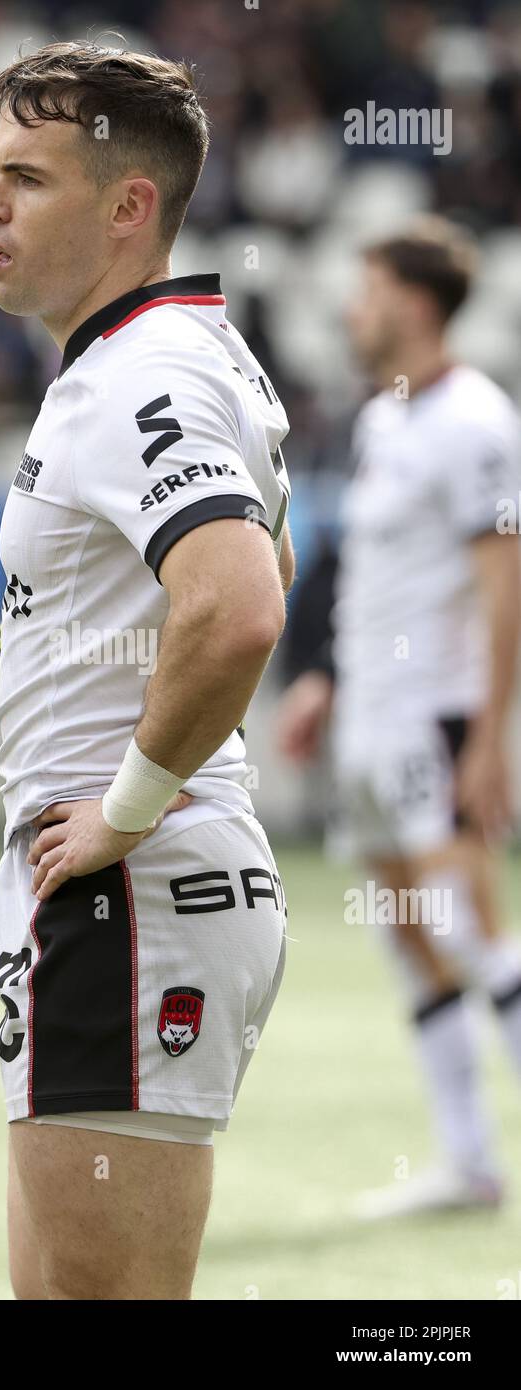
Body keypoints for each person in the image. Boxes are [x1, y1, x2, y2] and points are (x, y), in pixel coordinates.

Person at [0, 41, 293, 1299]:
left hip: (130, 895)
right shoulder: (172, 354)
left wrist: (125, 808)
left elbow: (238, 608)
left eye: (25, 179)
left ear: (127, 205)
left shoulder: (145, 374)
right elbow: (265, 557)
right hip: (126, 891)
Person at [277, 218, 521, 1219]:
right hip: (370, 719)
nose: (349, 309)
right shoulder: (382, 418)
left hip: (439, 714)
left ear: (414, 305)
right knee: (405, 933)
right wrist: (324, 680)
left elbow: (503, 579)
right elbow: (366, 570)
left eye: (366, 290)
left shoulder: (477, 421)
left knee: (467, 928)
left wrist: (492, 736)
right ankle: (466, 1165)